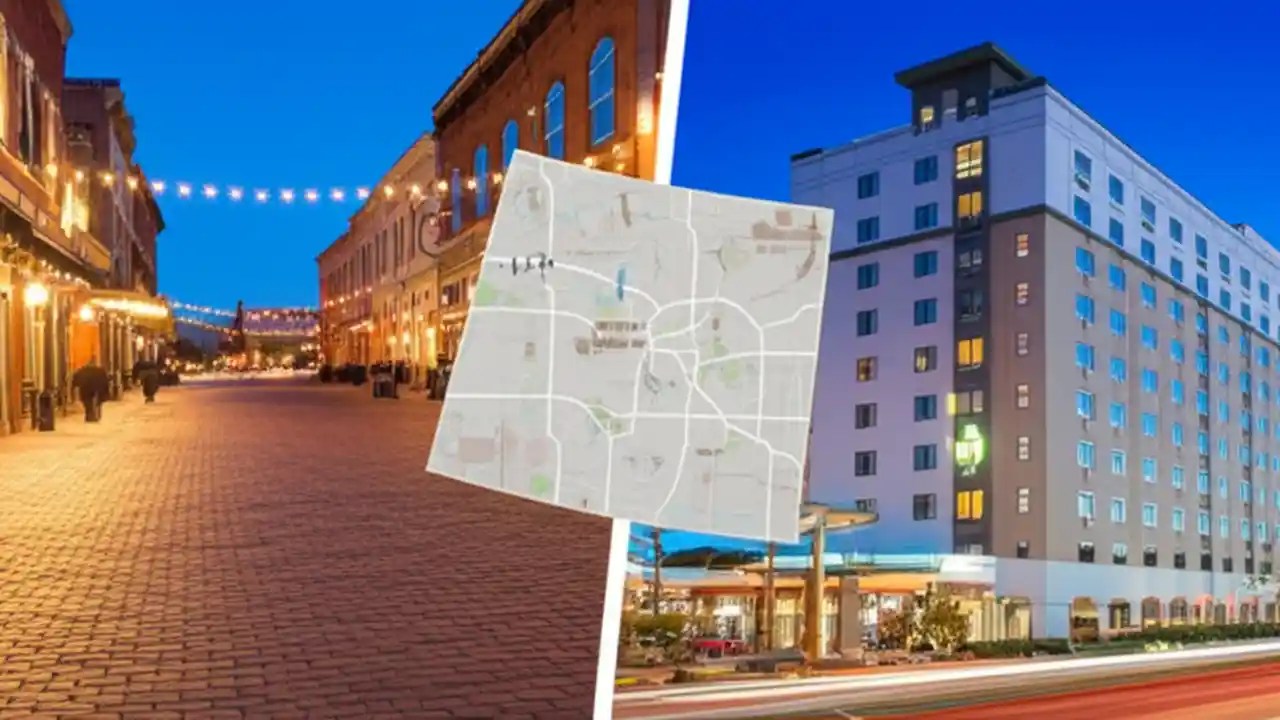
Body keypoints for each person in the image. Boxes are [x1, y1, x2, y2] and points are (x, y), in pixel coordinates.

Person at [72, 358, 109, 422]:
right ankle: (95, 415)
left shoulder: (82, 371)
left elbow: (75, 380)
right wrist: (106, 393)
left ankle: (89, 415)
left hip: (86, 388)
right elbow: (105, 381)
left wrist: (74, 389)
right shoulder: (100, 370)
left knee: (87, 403)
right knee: (97, 403)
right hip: (97, 388)